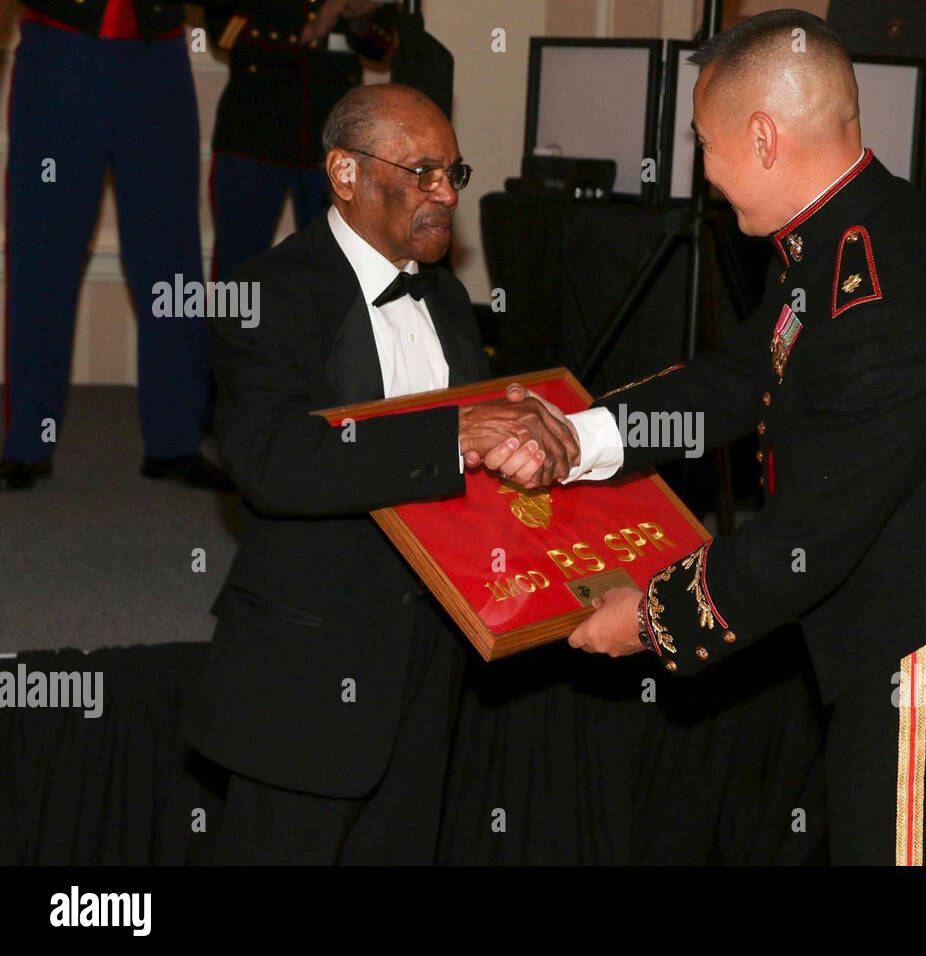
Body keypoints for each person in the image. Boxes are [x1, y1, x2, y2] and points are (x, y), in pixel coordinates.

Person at [560, 10, 926, 865]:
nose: (704, 174)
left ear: (763, 136)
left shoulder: (879, 296)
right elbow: (746, 374)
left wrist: (652, 621)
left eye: (706, 145)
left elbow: (810, 537)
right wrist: (582, 438)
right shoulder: (843, 229)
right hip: (879, 638)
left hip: (924, 663)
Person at [183, 83, 603, 864]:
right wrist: (453, 435)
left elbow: (474, 472)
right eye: (422, 171)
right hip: (312, 661)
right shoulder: (266, 292)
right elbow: (271, 463)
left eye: (453, 173)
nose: (446, 193)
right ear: (345, 173)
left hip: (435, 646)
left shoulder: (446, 297)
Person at [0, 0, 229, 490]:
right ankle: (26, 443)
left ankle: (175, 441)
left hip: (159, 55)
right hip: (60, 48)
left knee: (171, 258)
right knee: (42, 250)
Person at [205, 0, 399, 282]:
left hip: (331, 138)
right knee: (237, 273)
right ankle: (230, 327)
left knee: (336, 273)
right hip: (254, 133)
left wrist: (359, 14)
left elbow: (382, 47)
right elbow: (226, 33)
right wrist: (310, 28)